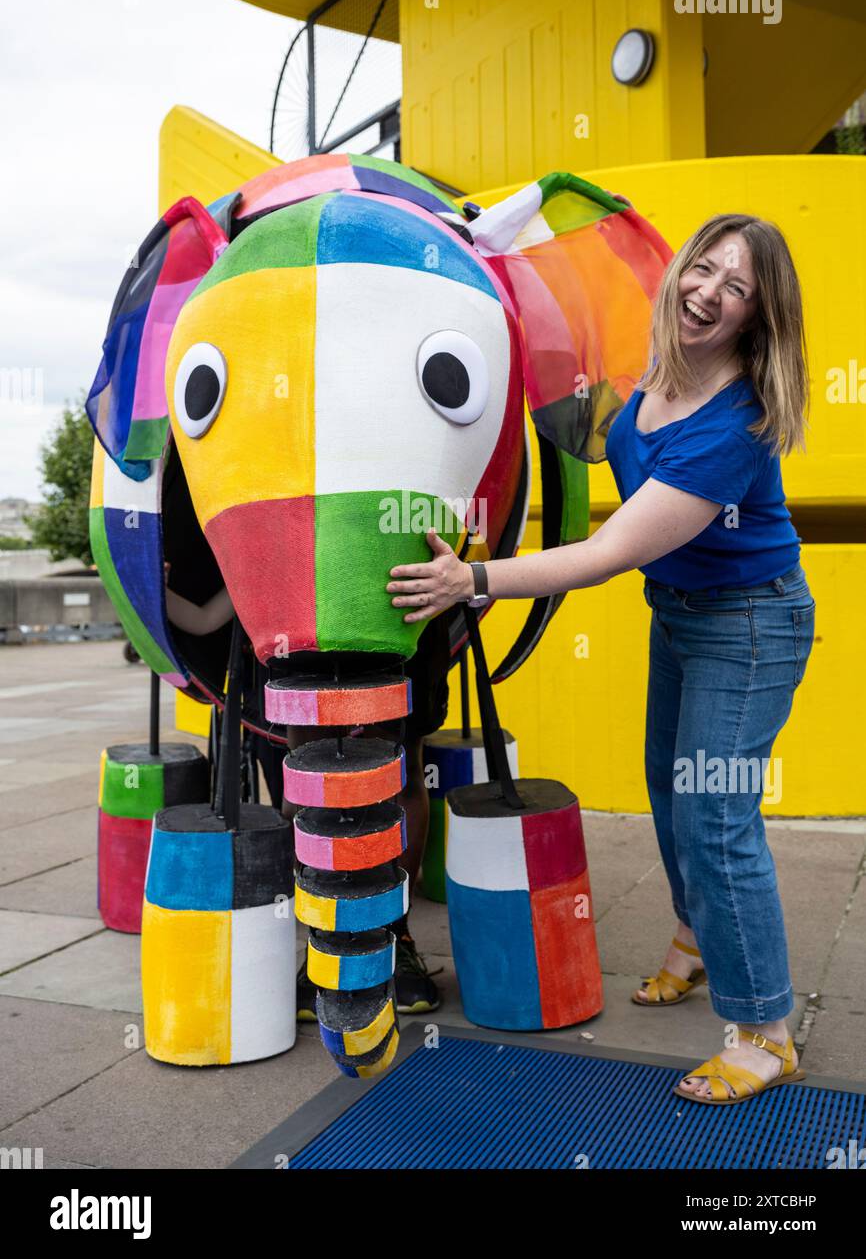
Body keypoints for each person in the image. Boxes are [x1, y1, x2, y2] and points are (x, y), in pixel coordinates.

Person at [386, 211, 816, 1106]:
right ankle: (700, 941)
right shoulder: (653, 370)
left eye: (736, 288)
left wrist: (473, 579)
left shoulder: (734, 423)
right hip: (684, 615)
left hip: (750, 625)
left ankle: (766, 1030)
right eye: (704, 269)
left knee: (715, 815)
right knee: (670, 785)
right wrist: (508, 244)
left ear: (755, 316)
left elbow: (607, 551)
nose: (709, 292)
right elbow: (564, 332)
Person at [164, 570, 447, 1017]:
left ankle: (396, 931)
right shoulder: (267, 542)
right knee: (306, 782)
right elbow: (204, 619)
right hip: (300, 626)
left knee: (401, 773)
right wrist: (143, 580)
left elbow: (478, 548)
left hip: (400, 620)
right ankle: (325, 935)